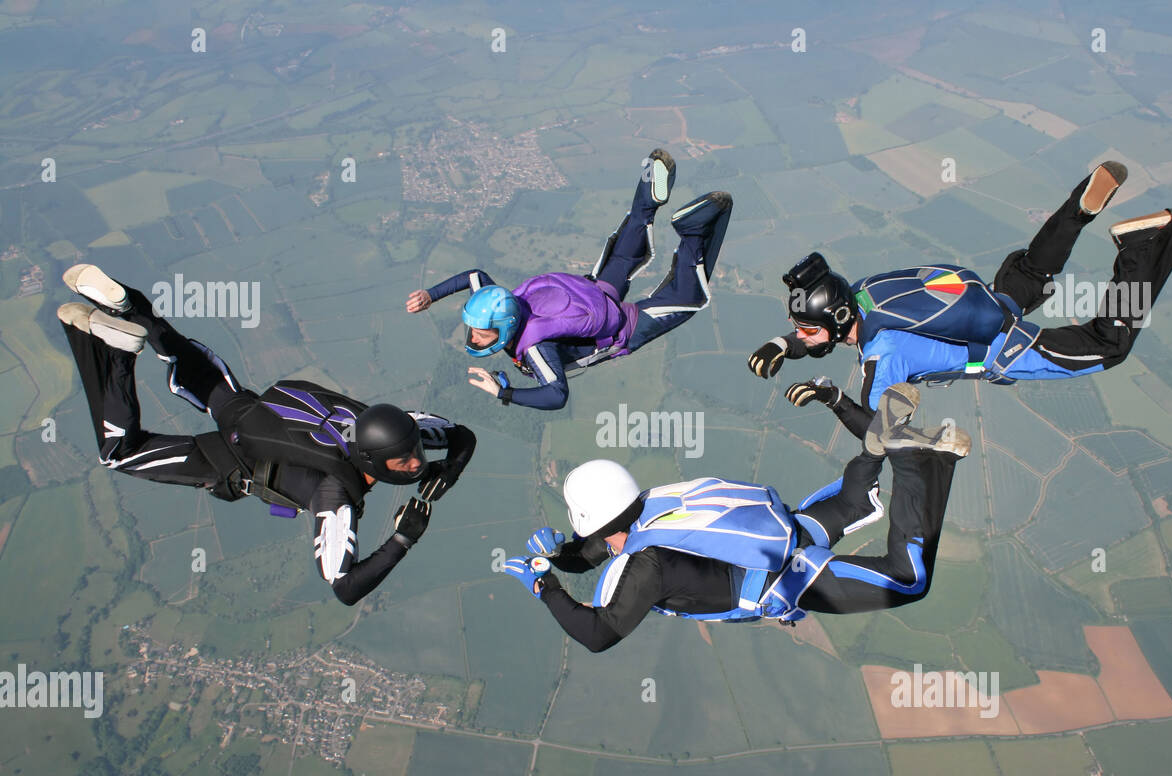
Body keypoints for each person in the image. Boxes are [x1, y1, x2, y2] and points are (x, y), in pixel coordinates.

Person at [57, 264, 476, 606]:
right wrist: (403, 538)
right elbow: (345, 588)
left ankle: (126, 304)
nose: (417, 462)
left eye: (415, 452)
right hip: (230, 461)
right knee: (118, 452)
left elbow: (461, 435)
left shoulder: (390, 423)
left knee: (185, 358)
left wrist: (450, 469)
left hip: (250, 411)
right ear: (372, 462)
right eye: (404, 461)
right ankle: (115, 355)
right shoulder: (335, 498)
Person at [499, 385, 970, 652]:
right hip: (790, 529)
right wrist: (558, 556)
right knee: (851, 502)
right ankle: (878, 444)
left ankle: (916, 460)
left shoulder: (646, 565)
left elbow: (599, 633)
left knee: (909, 579)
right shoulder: (649, 507)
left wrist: (546, 590)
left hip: (791, 580)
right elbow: (591, 553)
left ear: (601, 523)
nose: (602, 545)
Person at [747, 162, 1172, 411]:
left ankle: (1140, 248)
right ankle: (1079, 207)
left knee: (1110, 346)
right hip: (986, 298)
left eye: (805, 329)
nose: (801, 334)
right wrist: (782, 344)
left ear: (838, 318)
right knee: (1030, 274)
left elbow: (875, 433)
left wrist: (832, 398)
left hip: (1003, 348)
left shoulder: (881, 357)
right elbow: (825, 328)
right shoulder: (864, 292)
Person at [406, 149, 732, 410]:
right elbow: (474, 277)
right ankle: (649, 189)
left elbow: (556, 395)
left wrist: (504, 394)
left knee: (688, 299)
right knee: (622, 256)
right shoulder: (500, 302)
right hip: (592, 292)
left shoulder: (536, 348)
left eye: (480, 334)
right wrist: (430, 296)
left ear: (504, 328)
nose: (474, 338)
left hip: (624, 329)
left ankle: (693, 232)